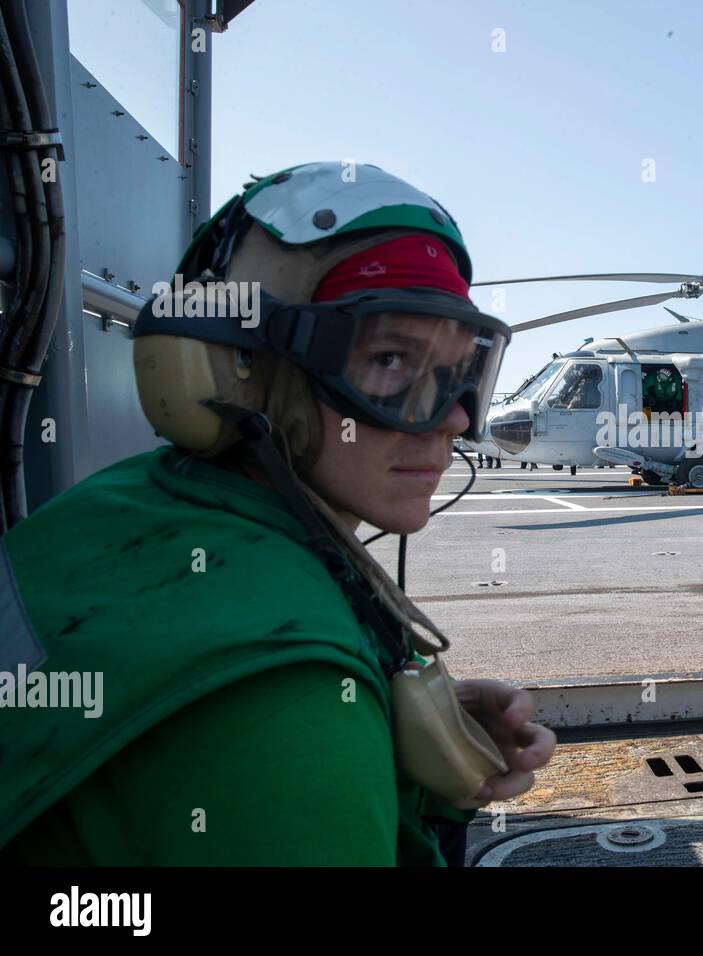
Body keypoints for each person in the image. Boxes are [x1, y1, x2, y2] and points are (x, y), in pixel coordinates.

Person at [0, 162, 555, 866]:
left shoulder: (118, 507)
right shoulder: (288, 695)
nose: (450, 420)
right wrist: (331, 721)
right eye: (390, 360)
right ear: (228, 363)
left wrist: (405, 754)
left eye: (459, 375)